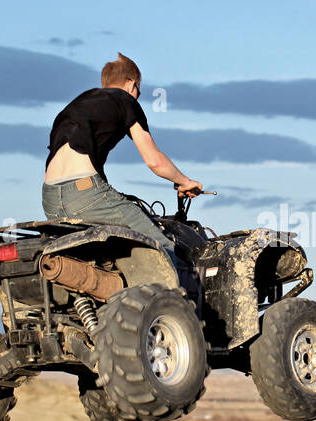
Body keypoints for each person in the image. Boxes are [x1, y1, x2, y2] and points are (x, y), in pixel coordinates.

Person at [42, 52, 202, 266]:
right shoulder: (124, 99)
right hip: (84, 192)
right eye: (139, 91)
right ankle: (177, 297)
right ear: (130, 84)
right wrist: (184, 181)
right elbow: (154, 160)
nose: (137, 96)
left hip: (50, 198)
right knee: (162, 249)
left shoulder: (80, 103)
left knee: (104, 259)